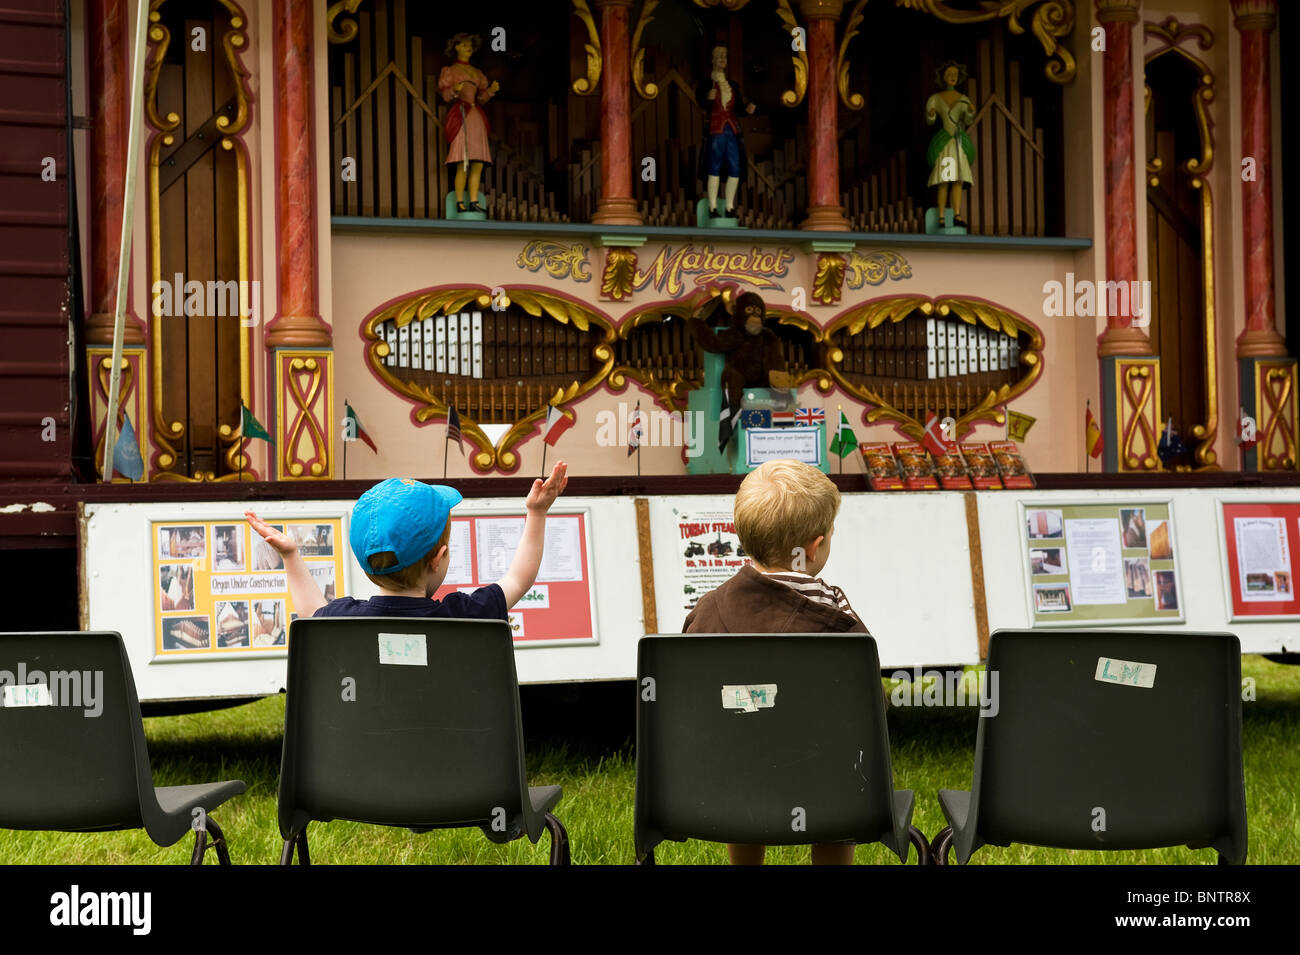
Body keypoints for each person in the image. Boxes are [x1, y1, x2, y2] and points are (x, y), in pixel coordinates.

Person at [684, 459, 869, 866]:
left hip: (728, 784)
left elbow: (697, 707)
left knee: (744, 758)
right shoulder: (836, 617)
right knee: (836, 774)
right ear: (816, 546)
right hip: (823, 787)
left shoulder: (706, 611)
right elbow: (863, 705)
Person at [246, 463, 567, 619]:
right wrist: (536, 513)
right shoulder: (465, 615)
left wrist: (290, 557)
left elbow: (311, 610)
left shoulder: (343, 620)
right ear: (437, 558)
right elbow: (518, 579)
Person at [439, 32, 499, 214]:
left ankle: (474, 201)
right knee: (462, 162)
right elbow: (445, 95)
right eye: (464, 45)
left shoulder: (477, 73)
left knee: (478, 163)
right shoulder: (450, 71)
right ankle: (459, 201)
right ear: (456, 47)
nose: (468, 48)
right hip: (462, 115)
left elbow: (481, 98)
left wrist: (490, 91)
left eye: (470, 45)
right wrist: (455, 91)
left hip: (475, 116)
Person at [697, 45, 755, 218]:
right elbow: (701, 102)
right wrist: (707, 98)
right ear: (713, 59)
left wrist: (748, 110)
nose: (723, 59)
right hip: (716, 129)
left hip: (731, 130)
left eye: (725, 56)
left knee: (735, 167)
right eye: (719, 56)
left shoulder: (733, 86)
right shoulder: (706, 83)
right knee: (713, 166)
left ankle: (730, 207)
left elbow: (738, 109)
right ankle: (713, 206)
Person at [925, 60, 975, 228]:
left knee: (958, 180)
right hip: (945, 142)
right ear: (943, 77)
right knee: (944, 179)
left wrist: (969, 112)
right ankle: (940, 216)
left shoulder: (963, 99)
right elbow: (930, 120)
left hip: (958, 142)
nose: (952, 77)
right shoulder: (936, 98)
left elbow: (968, 120)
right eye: (949, 74)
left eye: (955, 74)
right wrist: (932, 115)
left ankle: (957, 214)